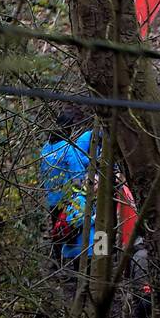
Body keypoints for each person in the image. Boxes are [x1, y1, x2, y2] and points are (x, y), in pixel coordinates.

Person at [39, 112, 98, 303]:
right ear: (69, 129)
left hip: (52, 198)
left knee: (58, 230)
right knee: (77, 231)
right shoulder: (67, 149)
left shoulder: (46, 149)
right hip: (70, 199)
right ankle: (83, 268)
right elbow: (78, 175)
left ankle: (59, 265)